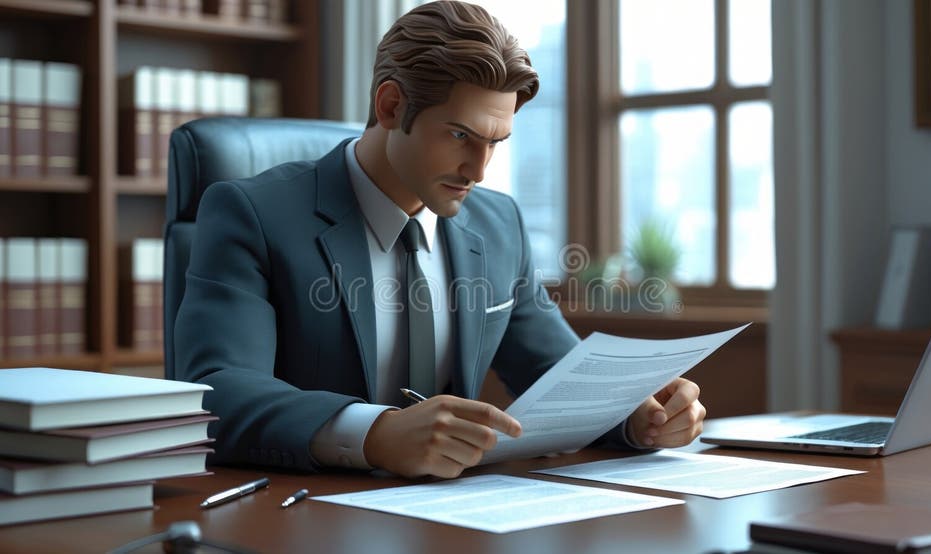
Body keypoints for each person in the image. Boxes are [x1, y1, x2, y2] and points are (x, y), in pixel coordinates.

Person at [174, 0, 705, 479]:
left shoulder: (499, 225)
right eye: (460, 136)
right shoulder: (254, 214)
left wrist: (638, 414)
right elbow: (219, 391)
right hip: (301, 517)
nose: (478, 169)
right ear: (389, 106)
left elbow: (560, 381)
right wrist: (375, 434)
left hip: (458, 520)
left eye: (495, 143)